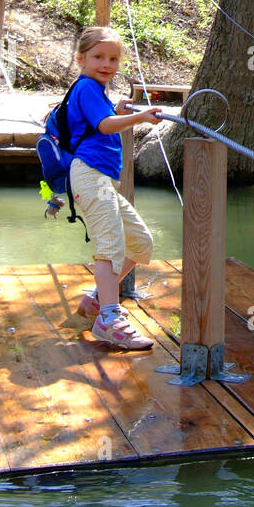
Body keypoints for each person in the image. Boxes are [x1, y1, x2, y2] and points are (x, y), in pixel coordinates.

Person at [65, 25, 163, 350]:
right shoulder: (87, 88)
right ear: (81, 58)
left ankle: (95, 300)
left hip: (100, 180)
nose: (106, 64)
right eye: (98, 57)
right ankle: (109, 318)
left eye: (113, 58)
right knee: (111, 244)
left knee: (139, 243)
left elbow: (103, 120)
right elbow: (104, 126)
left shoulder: (97, 91)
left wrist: (119, 110)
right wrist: (141, 117)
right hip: (88, 176)